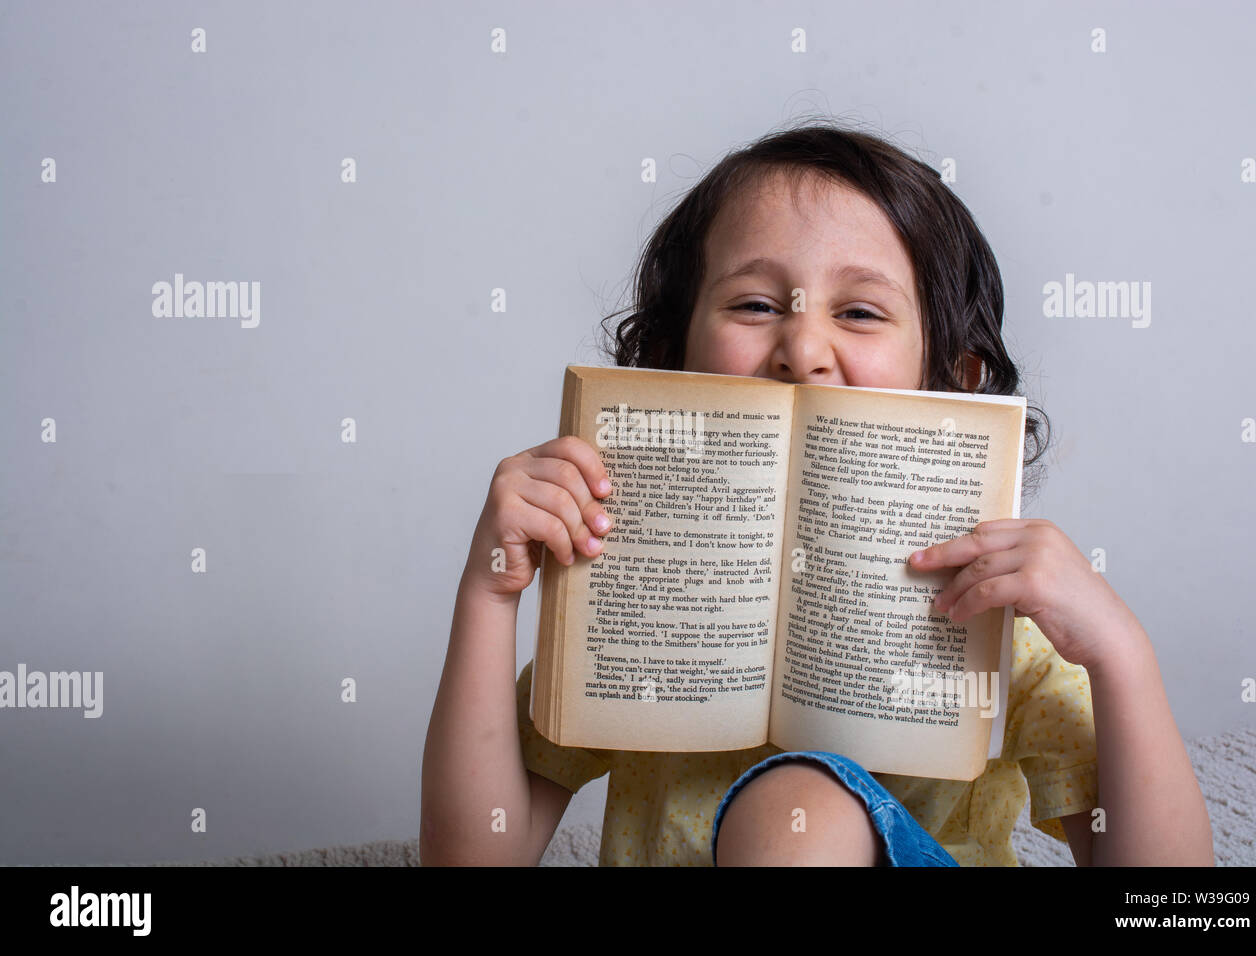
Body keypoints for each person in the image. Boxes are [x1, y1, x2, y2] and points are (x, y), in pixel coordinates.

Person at [419, 121, 1214, 866]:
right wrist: (488, 598)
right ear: (670, 358)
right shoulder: (622, 605)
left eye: (860, 311)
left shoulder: (999, 622)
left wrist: (1121, 656)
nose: (802, 347)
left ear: (952, 380)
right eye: (756, 305)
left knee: (797, 799)